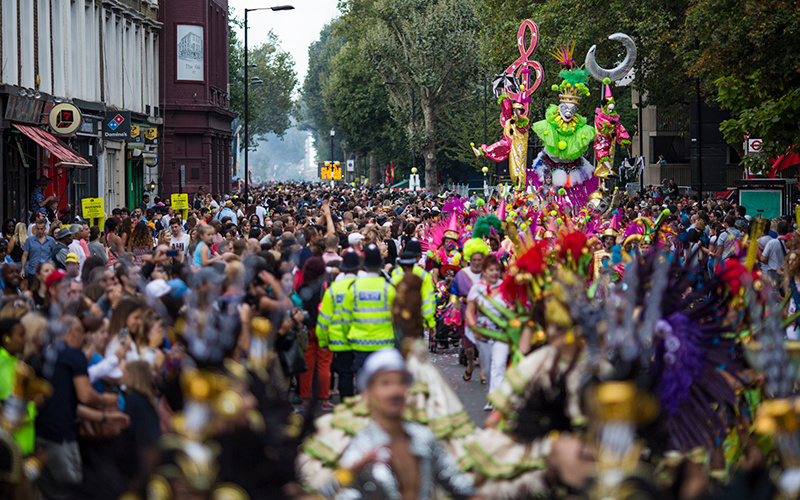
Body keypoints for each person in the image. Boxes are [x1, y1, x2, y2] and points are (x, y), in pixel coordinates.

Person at [318, 348, 480, 500]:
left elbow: (459, 485)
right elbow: (331, 493)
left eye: (401, 383)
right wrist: (350, 472)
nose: (394, 391)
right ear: (369, 392)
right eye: (385, 383)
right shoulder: (362, 448)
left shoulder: (423, 437)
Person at [35, 317, 130, 499]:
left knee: (49, 492)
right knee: (72, 490)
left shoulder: (47, 354)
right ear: (72, 333)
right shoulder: (73, 355)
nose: (84, 338)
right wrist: (106, 401)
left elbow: (67, 403)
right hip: (60, 437)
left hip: (42, 433)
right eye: (81, 332)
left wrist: (104, 417)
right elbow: (85, 395)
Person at [341, 244, 396, 377]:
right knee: (381, 380)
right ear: (380, 265)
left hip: (360, 342)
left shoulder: (354, 288)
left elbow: (345, 318)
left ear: (364, 265)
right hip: (383, 342)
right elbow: (396, 318)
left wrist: (348, 337)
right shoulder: (388, 289)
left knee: (363, 380)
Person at [465, 255, 508, 410]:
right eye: (491, 270)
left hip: (502, 334)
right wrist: (474, 328)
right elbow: (470, 312)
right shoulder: (477, 289)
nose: (494, 273)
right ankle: (492, 395)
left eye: (497, 270)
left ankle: (498, 399)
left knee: (499, 364)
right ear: (484, 271)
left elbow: (512, 308)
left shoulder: (505, 286)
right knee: (489, 368)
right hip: (483, 334)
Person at [317, 251, 360, 400]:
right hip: (362, 338)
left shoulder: (333, 290)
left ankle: (346, 404)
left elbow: (324, 318)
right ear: (357, 269)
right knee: (361, 373)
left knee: (345, 374)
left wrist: (322, 340)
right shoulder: (362, 288)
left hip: (339, 340)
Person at [452, 238, 488, 383]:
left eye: (480, 259)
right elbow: (454, 292)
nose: (477, 262)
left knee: (484, 341)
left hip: (484, 311)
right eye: (474, 259)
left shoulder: (488, 273)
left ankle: (483, 371)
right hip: (466, 310)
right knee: (467, 345)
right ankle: (471, 364)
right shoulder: (462, 274)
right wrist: (453, 309)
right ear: (469, 259)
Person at [20, 218, 55, 287]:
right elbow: (25, 255)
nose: (39, 231)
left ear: (45, 228)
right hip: (33, 271)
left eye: (41, 229)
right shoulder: (29, 240)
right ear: (35, 228)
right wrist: (22, 269)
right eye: (38, 229)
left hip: (46, 272)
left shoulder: (51, 241)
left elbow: (54, 255)